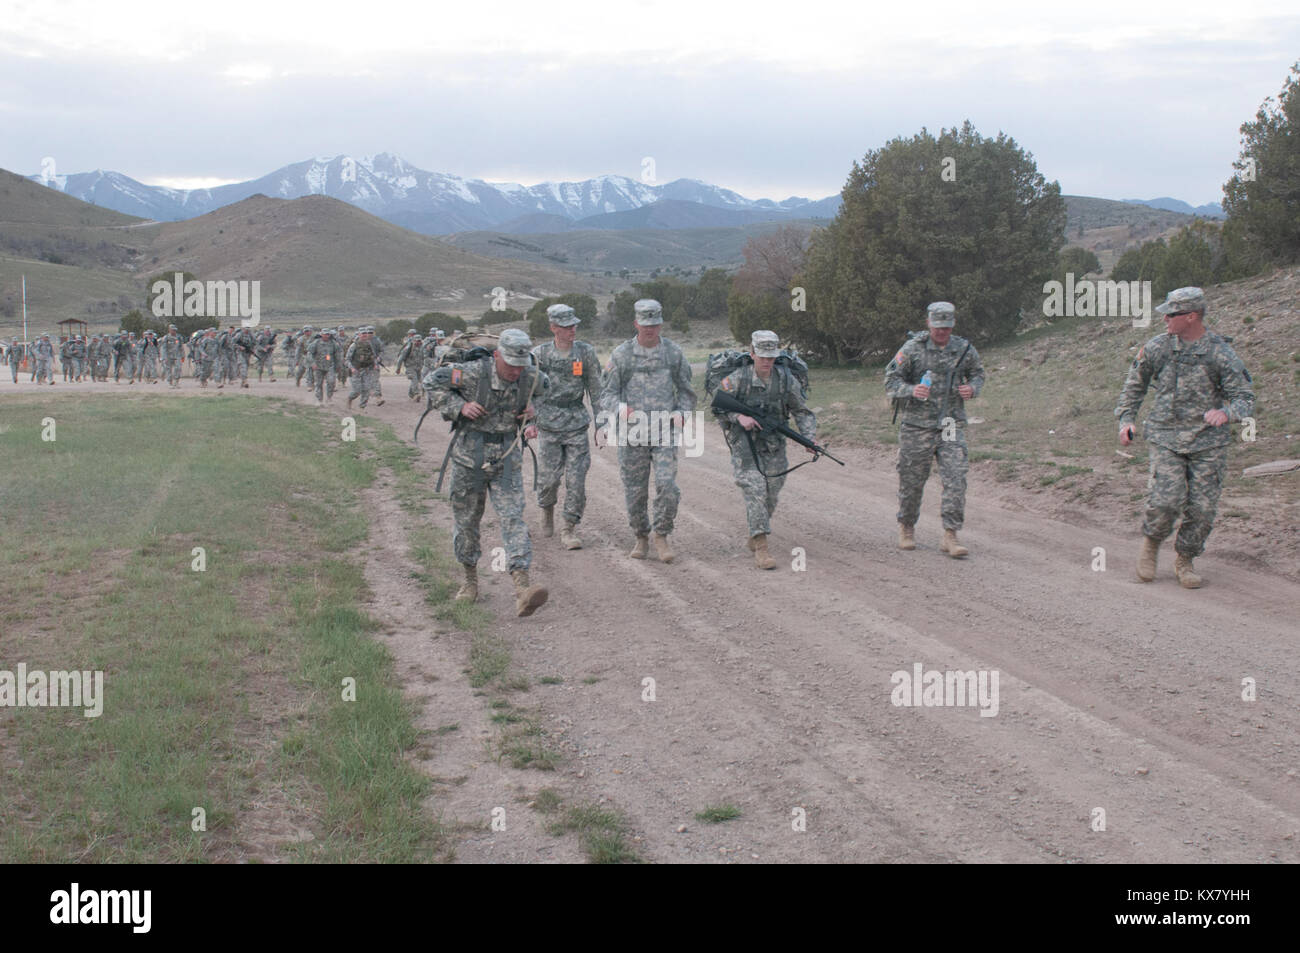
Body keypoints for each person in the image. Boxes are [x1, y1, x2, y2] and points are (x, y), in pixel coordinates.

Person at [1115, 287, 1254, 588]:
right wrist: (1126, 420)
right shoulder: (1157, 348)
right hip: (1166, 436)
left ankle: (1185, 559)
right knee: (1166, 500)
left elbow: (1244, 397)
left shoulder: (1220, 352)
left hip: (1208, 443)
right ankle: (1151, 544)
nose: (1164, 318)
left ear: (1191, 317)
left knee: (1203, 509)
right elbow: (1133, 387)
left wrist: (1227, 412)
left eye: (1171, 314)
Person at [424, 328, 550, 617]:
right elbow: (431, 383)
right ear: (497, 356)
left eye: (521, 366)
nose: (516, 372)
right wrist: (459, 406)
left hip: (507, 460)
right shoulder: (470, 373)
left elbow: (546, 394)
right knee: (467, 522)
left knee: (513, 518)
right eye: (510, 365)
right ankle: (469, 581)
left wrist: (534, 415)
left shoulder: (531, 378)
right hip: (470, 458)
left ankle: (523, 589)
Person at [884, 301, 986, 557]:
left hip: (950, 424)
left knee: (956, 479)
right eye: (938, 327)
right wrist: (911, 390)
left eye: (947, 328)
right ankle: (906, 527)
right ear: (929, 323)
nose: (942, 333)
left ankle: (950, 535)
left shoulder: (964, 349)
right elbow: (891, 380)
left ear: (952, 326)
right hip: (917, 425)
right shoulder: (913, 349)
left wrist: (972, 388)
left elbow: (978, 373)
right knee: (912, 481)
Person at [599, 298, 696, 562]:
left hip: (664, 430)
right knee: (635, 490)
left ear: (661, 324)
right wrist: (619, 409)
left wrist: (681, 413)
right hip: (633, 433)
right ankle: (641, 536)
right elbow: (606, 394)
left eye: (654, 325)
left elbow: (687, 392)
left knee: (667, 485)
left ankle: (662, 535)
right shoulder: (622, 355)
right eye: (645, 325)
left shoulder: (673, 354)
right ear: (636, 324)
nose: (650, 330)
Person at [714, 330, 818, 569]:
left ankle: (755, 530)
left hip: (774, 445)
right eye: (762, 356)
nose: (766, 361)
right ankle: (761, 546)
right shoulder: (738, 378)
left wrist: (809, 440)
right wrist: (738, 416)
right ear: (752, 354)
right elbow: (718, 406)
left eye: (771, 357)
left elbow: (801, 411)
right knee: (756, 490)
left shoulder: (785, 380)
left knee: (772, 491)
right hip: (745, 445)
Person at [527, 304, 603, 550]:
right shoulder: (540, 354)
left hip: (576, 423)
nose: (572, 330)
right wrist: (529, 422)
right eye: (566, 326)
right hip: (548, 423)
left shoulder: (585, 353)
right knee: (549, 479)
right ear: (553, 328)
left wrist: (601, 424)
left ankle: (569, 527)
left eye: (574, 325)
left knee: (577, 479)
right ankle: (547, 510)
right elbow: (528, 391)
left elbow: (597, 390)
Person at [345, 327, 385, 409]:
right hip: (356, 370)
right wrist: (352, 368)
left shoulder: (369, 344)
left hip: (367, 370)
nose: (365, 335)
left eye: (366, 333)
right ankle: (349, 399)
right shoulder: (354, 345)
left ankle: (362, 407)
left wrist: (375, 364)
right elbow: (347, 360)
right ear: (359, 335)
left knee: (366, 389)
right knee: (357, 390)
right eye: (363, 333)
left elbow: (373, 356)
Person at [307, 328, 343, 403]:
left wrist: (339, 365)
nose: (326, 336)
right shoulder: (316, 342)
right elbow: (309, 353)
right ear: (321, 334)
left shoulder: (333, 343)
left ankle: (329, 397)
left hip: (330, 366)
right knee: (319, 384)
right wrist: (312, 363)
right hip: (318, 366)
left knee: (331, 381)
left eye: (328, 334)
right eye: (325, 334)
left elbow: (338, 355)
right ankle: (319, 400)